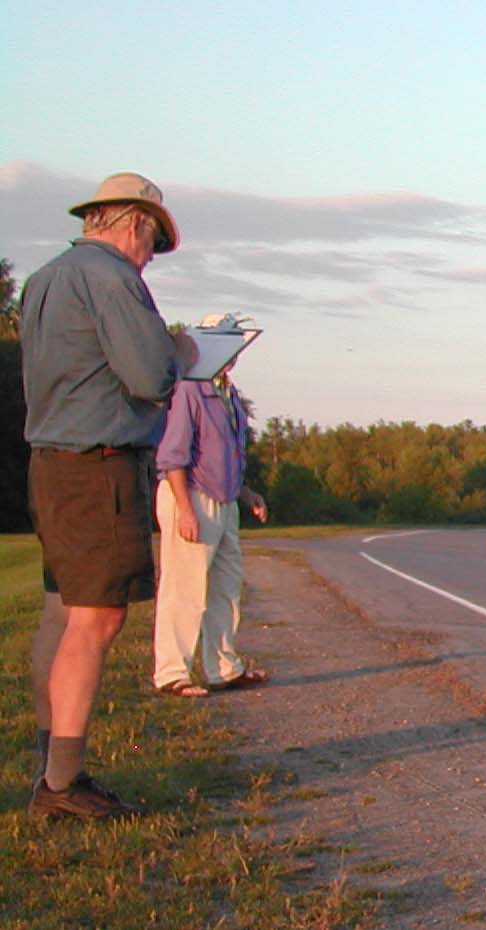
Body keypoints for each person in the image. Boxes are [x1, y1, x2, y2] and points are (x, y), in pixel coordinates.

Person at [21, 171, 189, 818]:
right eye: (153, 242)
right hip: (99, 466)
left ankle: (52, 767)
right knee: (97, 618)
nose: (151, 257)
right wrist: (181, 352)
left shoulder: (47, 278)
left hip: (52, 462)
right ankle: (63, 785)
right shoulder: (113, 278)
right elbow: (150, 376)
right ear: (136, 224)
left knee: (60, 614)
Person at [152, 314, 270, 698]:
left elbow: (225, 455)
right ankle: (172, 673)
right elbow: (172, 456)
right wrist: (185, 510)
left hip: (225, 500)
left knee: (225, 589)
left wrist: (247, 494)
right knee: (185, 589)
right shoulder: (189, 388)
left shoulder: (227, 392)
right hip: (191, 497)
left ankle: (223, 669)